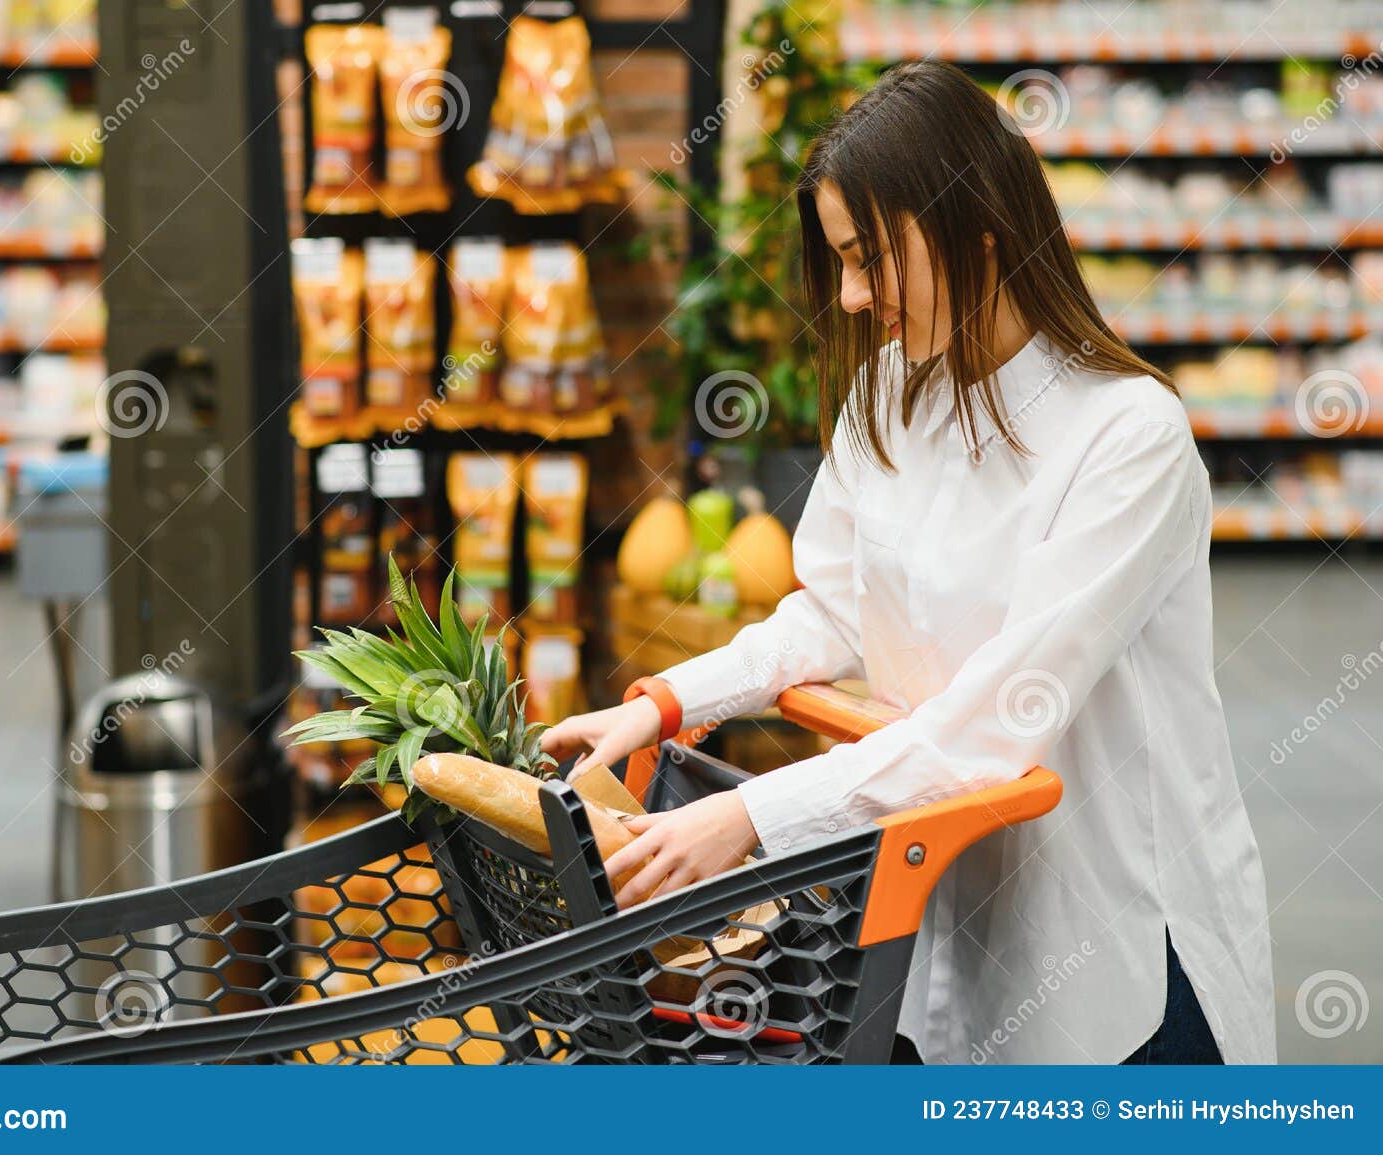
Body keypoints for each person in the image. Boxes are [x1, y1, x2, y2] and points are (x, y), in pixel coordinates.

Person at [540, 61, 1275, 1065]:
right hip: (935, 921)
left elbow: (997, 717)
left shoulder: (1125, 438)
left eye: (869, 260)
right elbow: (834, 612)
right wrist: (666, 699)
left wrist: (747, 816)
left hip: (1117, 946)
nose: (848, 297)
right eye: (839, 261)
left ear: (979, 229)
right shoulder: (893, 390)